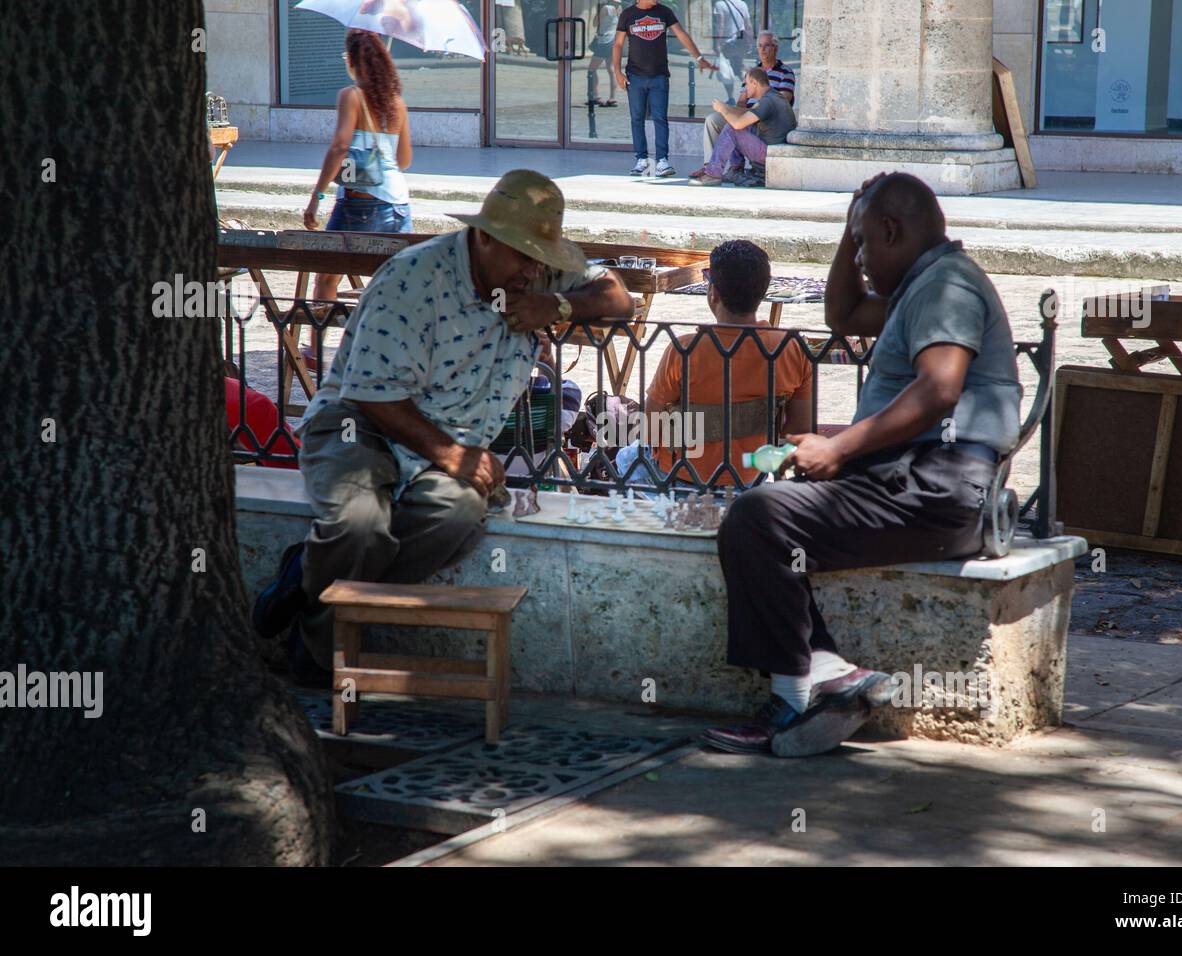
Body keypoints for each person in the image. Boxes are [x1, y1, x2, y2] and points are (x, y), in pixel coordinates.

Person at [253, 170, 635, 686]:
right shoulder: (413, 276)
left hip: (444, 439)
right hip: (362, 423)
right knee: (360, 524)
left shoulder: (535, 277)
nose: (531, 270)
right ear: (483, 238)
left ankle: (307, 579)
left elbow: (619, 297)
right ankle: (319, 655)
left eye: (539, 259)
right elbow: (373, 394)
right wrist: (455, 456)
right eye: (522, 255)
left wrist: (559, 304)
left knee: (455, 516)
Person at [703, 173, 1023, 757]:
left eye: (864, 246)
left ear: (893, 231)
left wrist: (841, 447)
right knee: (774, 516)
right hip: (917, 478)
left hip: (937, 484)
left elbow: (939, 389)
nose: (859, 260)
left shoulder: (945, 286)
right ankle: (824, 673)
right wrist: (852, 225)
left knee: (757, 518)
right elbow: (844, 314)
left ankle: (801, 688)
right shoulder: (920, 285)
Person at [615, 240, 812, 490]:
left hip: (682, 476)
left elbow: (651, 429)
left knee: (624, 458)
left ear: (713, 292)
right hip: (752, 478)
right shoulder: (792, 349)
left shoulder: (683, 351)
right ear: (763, 292)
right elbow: (799, 431)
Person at [301, 28, 413, 370]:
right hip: (399, 205)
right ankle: (390, 354)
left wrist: (316, 198)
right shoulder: (397, 103)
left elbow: (338, 146)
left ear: (353, 61)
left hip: (360, 202)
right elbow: (404, 160)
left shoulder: (351, 96)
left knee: (326, 276)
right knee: (389, 282)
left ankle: (317, 353)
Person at [613, 0, 717, 178]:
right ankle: (641, 160)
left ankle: (662, 161)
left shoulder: (664, 12)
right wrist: (617, 72)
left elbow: (681, 34)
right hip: (635, 77)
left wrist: (699, 58)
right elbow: (618, 44)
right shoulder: (627, 15)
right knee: (637, 118)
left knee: (660, 118)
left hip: (659, 76)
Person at [689, 68, 796, 186]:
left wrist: (723, 109)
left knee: (733, 128)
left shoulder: (768, 101)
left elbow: (737, 124)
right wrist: (727, 108)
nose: (745, 88)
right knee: (739, 125)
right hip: (774, 151)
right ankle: (736, 170)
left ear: (755, 83)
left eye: (747, 84)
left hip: (771, 154)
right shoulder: (773, 96)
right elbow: (746, 115)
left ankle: (713, 174)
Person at [701, 30, 795, 161]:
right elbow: (741, 102)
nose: (762, 50)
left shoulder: (785, 72)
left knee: (735, 125)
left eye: (767, 45)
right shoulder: (752, 73)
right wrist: (731, 111)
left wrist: (756, 111)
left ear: (775, 48)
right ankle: (709, 166)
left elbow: (783, 101)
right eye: (760, 46)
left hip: (769, 122)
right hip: (748, 115)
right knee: (713, 120)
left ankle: (736, 167)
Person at [711, 0, 753, 105]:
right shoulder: (743, 4)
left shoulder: (720, 4)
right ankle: (751, 92)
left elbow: (720, 25)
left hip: (728, 43)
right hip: (741, 42)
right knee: (738, 68)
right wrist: (750, 42)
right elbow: (748, 25)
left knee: (726, 70)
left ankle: (731, 98)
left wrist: (717, 44)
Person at [587, 1, 621, 107]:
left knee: (591, 70)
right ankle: (612, 98)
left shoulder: (606, 8)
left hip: (605, 40)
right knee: (611, 69)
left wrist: (598, 11)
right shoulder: (619, 9)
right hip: (614, 40)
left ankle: (595, 96)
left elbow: (595, 23)